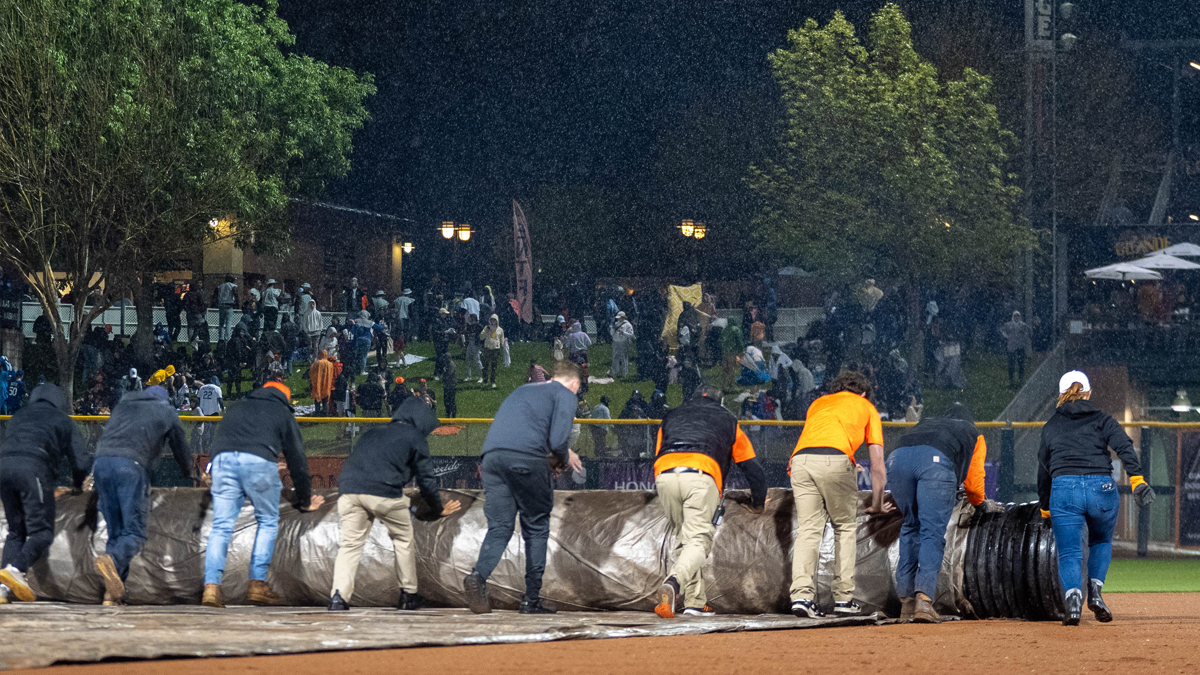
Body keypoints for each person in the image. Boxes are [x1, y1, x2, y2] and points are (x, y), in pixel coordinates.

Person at [462, 361, 585, 615]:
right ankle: (531, 599)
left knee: (500, 527)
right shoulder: (565, 394)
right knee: (537, 527)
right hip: (526, 457)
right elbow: (557, 439)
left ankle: (478, 576)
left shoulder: (523, 390)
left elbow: (524, 427)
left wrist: (561, 451)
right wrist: (563, 458)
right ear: (574, 384)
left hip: (492, 458)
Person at [1039, 371, 1155, 626]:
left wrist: (1045, 508)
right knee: (1100, 542)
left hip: (1064, 488)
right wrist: (1137, 479)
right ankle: (1096, 593)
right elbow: (1124, 446)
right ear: (1089, 393)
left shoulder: (1051, 425)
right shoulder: (1102, 419)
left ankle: (1072, 601)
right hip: (1100, 487)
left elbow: (1044, 470)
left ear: (1060, 396)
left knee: (1069, 552)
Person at [328, 395, 463, 611]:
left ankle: (338, 597)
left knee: (350, 545)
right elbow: (427, 480)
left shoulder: (372, 432)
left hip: (348, 491)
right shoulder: (415, 437)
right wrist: (438, 509)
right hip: (384, 492)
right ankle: (408, 595)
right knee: (402, 539)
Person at [201, 381, 324, 608]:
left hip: (222, 461)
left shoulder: (237, 407)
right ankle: (257, 583)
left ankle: (211, 587)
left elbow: (218, 442)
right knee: (267, 521)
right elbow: (297, 458)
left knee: (221, 526)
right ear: (284, 398)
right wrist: (305, 500)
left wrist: (211, 471)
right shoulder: (282, 411)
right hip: (258, 461)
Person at [652, 385, 768, 618]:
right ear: (721, 401)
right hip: (701, 473)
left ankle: (695, 602)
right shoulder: (727, 419)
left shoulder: (672, 415)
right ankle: (673, 583)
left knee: (684, 539)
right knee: (698, 541)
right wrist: (757, 501)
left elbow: (659, 452)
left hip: (664, 474)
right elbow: (752, 468)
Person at [789, 370, 887, 618]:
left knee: (808, 530)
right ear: (864, 392)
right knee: (844, 527)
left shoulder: (819, 402)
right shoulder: (866, 406)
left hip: (799, 461)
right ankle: (843, 599)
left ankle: (802, 596)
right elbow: (877, 465)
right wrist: (876, 504)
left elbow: (822, 438)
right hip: (835, 460)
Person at [888, 403, 997, 623]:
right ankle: (924, 600)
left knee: (910, 526)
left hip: (897, 458)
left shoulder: (927, 423)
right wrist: (981, 504)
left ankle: (906, 603)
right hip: (935, 462)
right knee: (932, 532)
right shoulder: (973, 433)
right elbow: (974, 486)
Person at [90, 384, 192, 605]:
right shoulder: (166, 410)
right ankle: (113, 560)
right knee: (134, 533)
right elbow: (180, 447)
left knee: (116, 533)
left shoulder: (124, 405)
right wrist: (189, 473)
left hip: (101, 463)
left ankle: (112, 595)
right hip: (130, 466)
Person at [0, 384, 89, 603]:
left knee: (16, 531)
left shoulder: (18, 416)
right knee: (42, 533)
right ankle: (15, 570)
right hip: (33, 469)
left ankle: (2, 588)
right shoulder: (62, 419)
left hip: (3, 468)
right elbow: (81, 461)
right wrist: (78, 485)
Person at [1000, 311, 1031, 388]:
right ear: (1013, 316)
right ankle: (1011, 381)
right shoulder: (1008, 324)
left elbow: (1028, 331)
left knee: (1021, 364)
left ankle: (1020, 380)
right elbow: (1002, 330)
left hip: (1020, 346)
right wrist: (1007, 337)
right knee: (1011, 364)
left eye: (1018, 316)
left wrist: (1024, 337)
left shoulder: (1023, 325)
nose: (1016, 317)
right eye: (1015, 316)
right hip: (1011, 346)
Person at [194, 376, 223, 454]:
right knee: (212, 430)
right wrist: (223, 409)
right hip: (214, 412)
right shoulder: (217, 388)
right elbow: (220, 400)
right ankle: (210, 443)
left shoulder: (202, 387)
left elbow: (198, 399)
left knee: (203, 429)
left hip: (204, 411)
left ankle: (204, 445)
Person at [481, 314, 504, 389]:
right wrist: (486, 332)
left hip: (495, 349)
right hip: (487, 349)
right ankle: (485, 381)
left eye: (494, 320)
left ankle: (493, 381)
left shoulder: (500, 330)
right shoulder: (486, 328)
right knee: (485, 366)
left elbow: (501, 340)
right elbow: (481, 337)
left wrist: (503, 342)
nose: (493, 321)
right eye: (492, 320)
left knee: (494, 367)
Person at [309, 350, 335, 416]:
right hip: (326, 384)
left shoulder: (316, 363)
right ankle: (326, 414)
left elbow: (311, 372)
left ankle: (317, 413)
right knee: (325, 400)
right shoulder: (330, 364)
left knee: (317, 399)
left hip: (318, 383)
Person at [610, 311, 634, 378]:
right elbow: (611, 333)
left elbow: (631, 335)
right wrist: (613, 329)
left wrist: (623, 333)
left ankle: (625, 373)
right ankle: (614, 372)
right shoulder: (616, 324)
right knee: (615, 357)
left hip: (623, 342)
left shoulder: (628, 325)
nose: (618, 319)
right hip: (615, 342)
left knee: (624, 358)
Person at [301, 298, 323, 363]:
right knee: (309, 346)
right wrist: (306, 331)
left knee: (316, 346)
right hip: (309, 332)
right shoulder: (306, 313)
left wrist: (319, 330)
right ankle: (309, 358)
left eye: (313, 303)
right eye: (310, 303)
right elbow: (304, 323)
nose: (312, 305)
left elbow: (320, 322)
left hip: (316, 332)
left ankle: (315, 358)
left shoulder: (318, 313)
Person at [437, 351, 457, 418]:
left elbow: (449, 374)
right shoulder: (447, 364)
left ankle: (453, 416)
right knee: (446, 402)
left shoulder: (451, 364)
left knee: (451, 402)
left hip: (451, 386)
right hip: (447, 386)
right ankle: (447, 414)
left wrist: (444, 371)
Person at [463, 313, 483, 382]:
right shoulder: (468, 326)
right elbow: (466, 333)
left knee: (477, 359)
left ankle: (481, 377)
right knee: (468, 359)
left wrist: (479, 343)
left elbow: (482, 334)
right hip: (469, 343)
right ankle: (468, 376)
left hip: (475, 344)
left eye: (470, 318)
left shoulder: (478, 326)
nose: (469, 320)